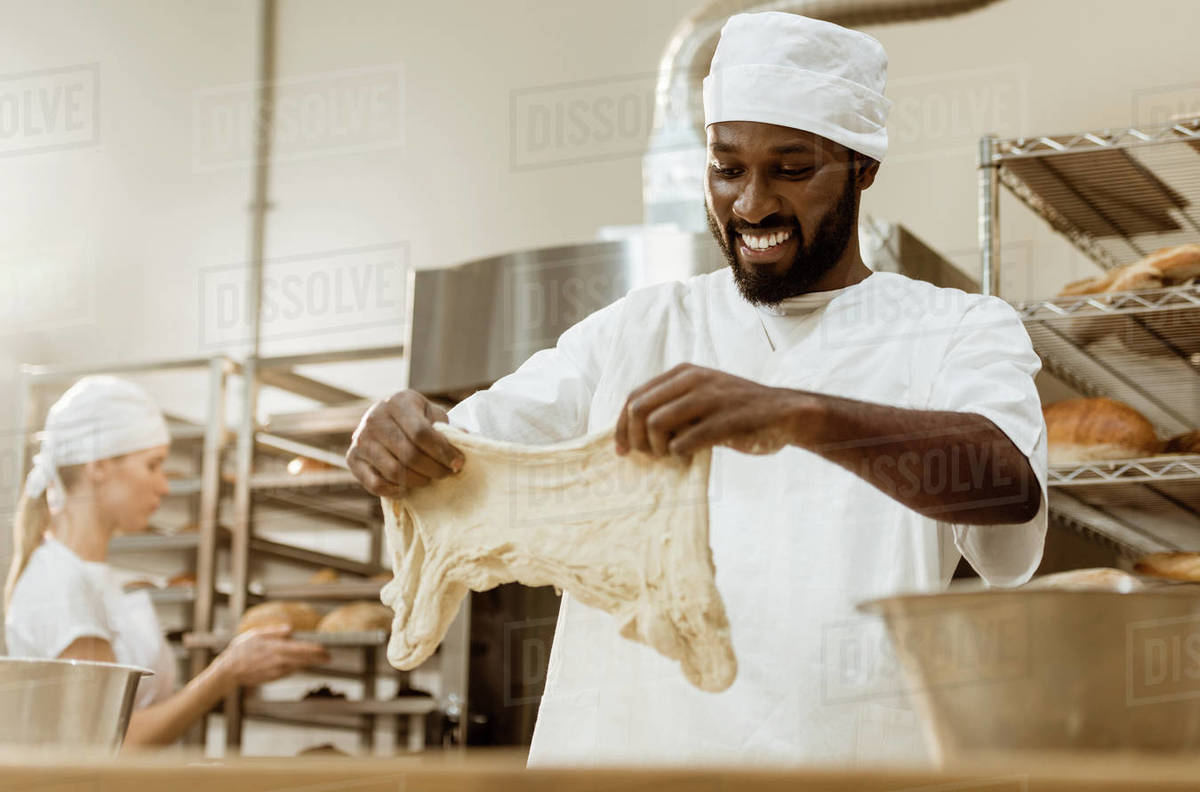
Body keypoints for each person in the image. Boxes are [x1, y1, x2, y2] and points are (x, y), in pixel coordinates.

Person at [346, 12, 1047, 765]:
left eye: (791, 168)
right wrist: (398, 433)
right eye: (727, 167)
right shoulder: (637, 330)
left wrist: (800, 414)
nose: (751, 205)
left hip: (843, 770)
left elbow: (1007, 486)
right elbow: (456, 451)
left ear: (863, 166)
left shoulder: (955, 328)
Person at [4, 375, 329, 749]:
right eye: (153, 465)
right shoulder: (57, 584)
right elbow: (111, 745)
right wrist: (226, 673)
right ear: (98, 467)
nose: (164, 485)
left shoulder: (92, 578)